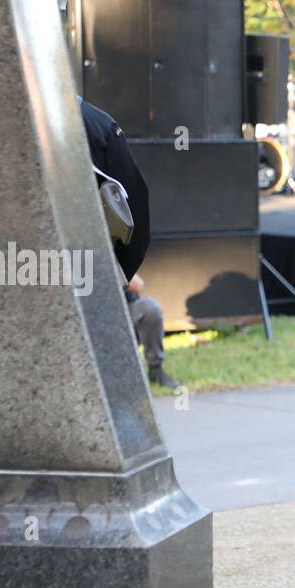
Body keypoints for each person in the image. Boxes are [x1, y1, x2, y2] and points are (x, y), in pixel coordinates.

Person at [79, 97, 179, 389]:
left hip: (121, 299)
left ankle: (155, 369)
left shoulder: (100, 128)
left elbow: (135, 282)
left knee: (150, 310)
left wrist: (116, 272)